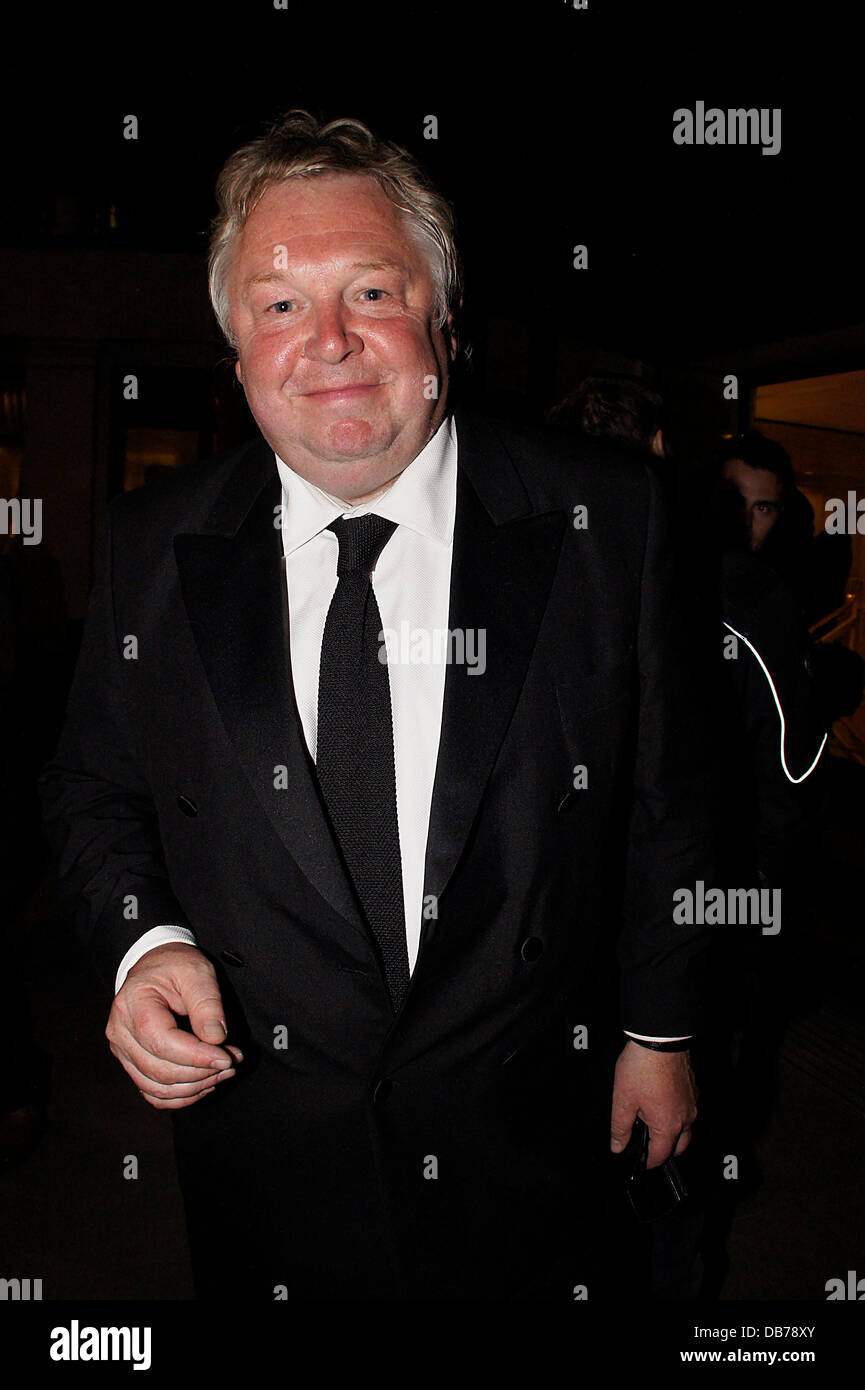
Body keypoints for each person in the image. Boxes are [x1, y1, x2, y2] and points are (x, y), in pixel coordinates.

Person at [38, 111, 716, 1301]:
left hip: (535, 1128)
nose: (332, 342)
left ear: (444, 318)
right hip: (267, 1141)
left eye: (371, 290)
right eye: (280, 305)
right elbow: (92, 786)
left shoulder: (608, 520)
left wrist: (659, 1033)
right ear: (235, 346)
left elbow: (671, 798)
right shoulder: (152, 544)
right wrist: (145, 942)